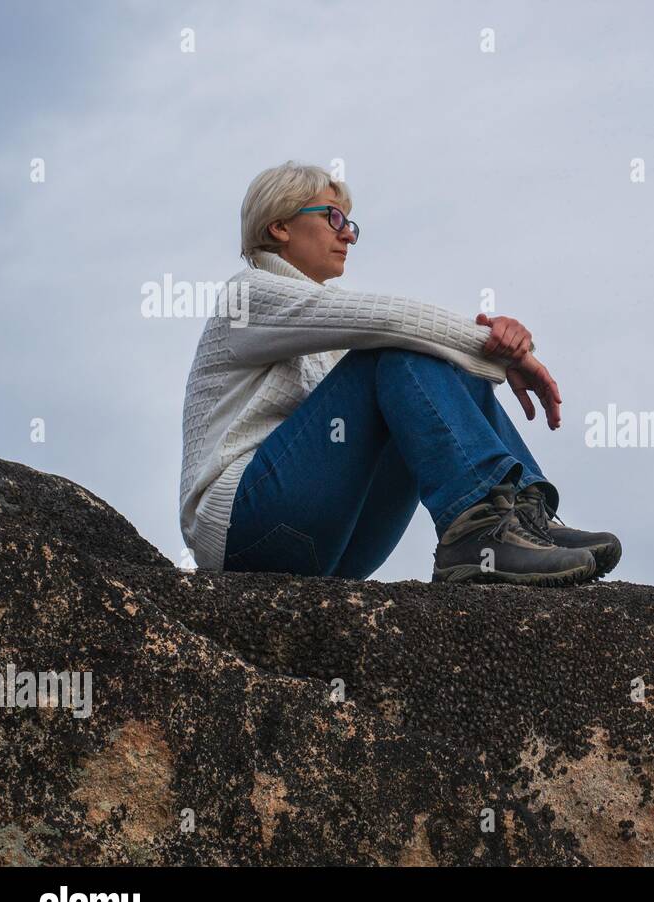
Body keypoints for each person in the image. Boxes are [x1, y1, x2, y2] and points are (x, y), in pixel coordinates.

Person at [178, 161, 620, 585]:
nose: (348, 235)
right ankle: (478, 533)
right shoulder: (246, 297)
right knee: (397, 349)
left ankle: (524, 514)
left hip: (335, 548)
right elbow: (391, 321)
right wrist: (505, 353)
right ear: (279, 226)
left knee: (430, 361)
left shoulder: (327, 340)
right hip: (245, 529)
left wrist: (488, 350)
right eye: (334, 218)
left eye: (350, 224)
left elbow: (410, 344)